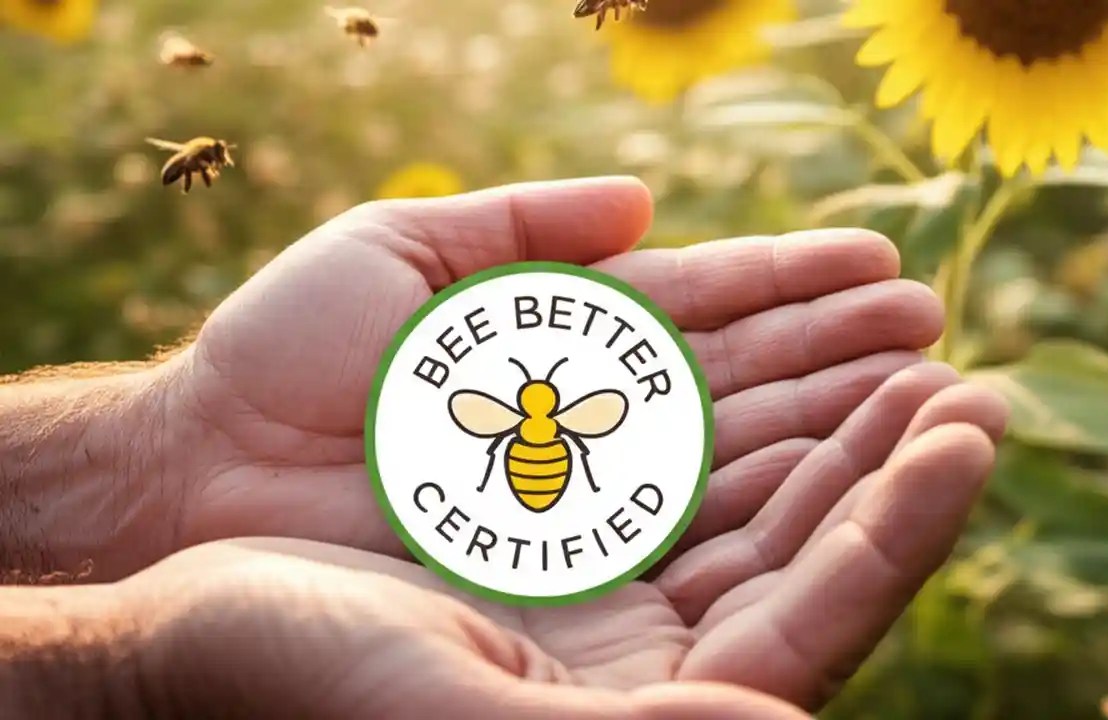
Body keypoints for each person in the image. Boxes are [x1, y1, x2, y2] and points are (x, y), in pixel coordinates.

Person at [0, 177, 1008, 719]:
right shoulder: (563, 421)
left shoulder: (508, 419)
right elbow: (585, 428)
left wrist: (164, 448)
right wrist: (120, 671)